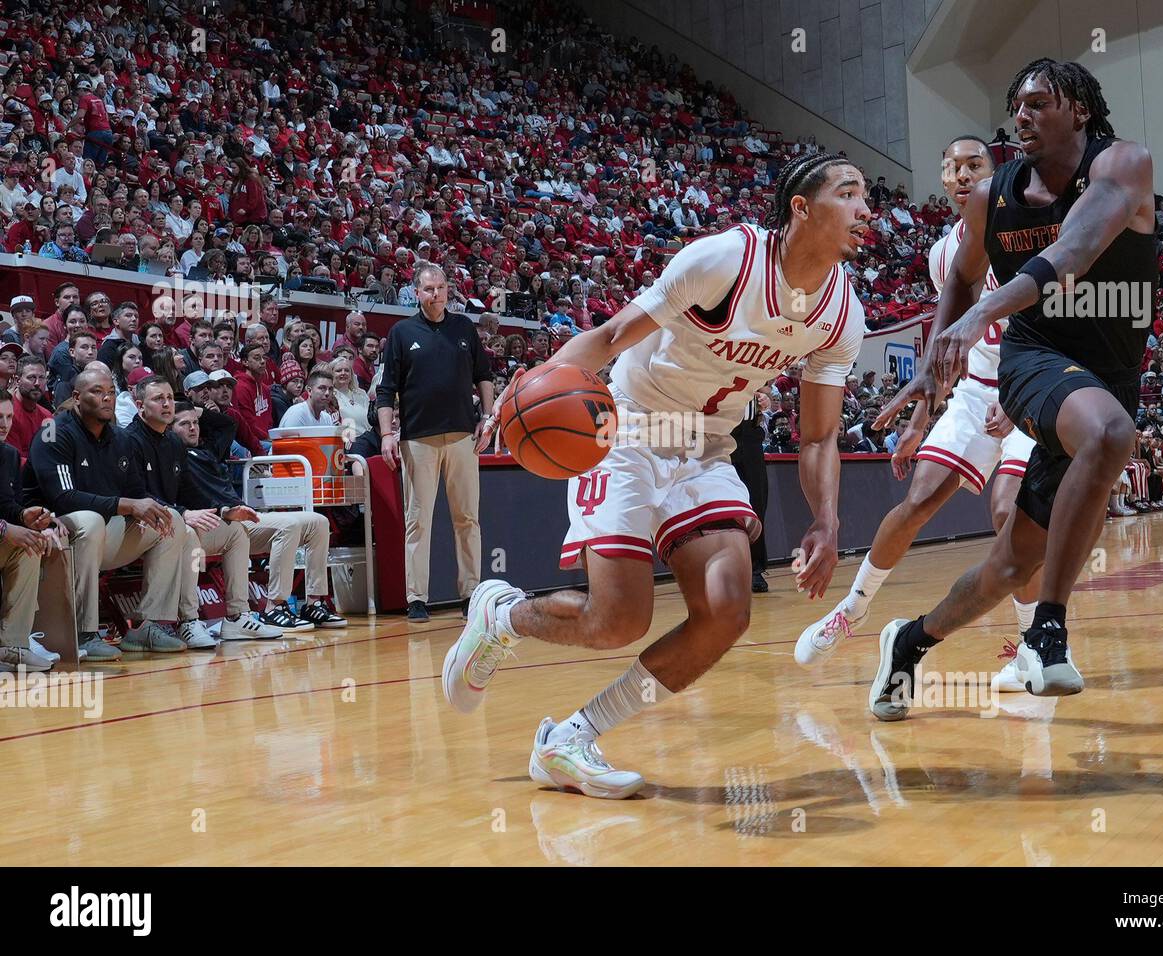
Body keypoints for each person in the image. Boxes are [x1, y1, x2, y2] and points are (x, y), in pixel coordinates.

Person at [443, 151, 868, 798]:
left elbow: (817, 435)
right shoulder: (724, 259)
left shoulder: (842, 316)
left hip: (707, 443)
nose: (866, 210)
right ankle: (503, 617)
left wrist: (827, 520)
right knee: (617, 620)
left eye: (867, 197)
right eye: (849, 194)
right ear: (801, 208)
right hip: (633, 424)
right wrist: (520, 390)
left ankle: (571, 740)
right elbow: (612, 336)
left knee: (727, 611)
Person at [871, 59, 1157, 714]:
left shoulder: (1124, 166)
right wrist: (931, 363)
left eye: (1038, 102)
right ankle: (1047, 633)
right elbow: (964, 277)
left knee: (1009, 565)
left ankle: (908, 642)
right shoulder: (990, 196)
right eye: (1015, 104)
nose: (1021, 115)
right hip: (1034, 359)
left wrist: (977, 316)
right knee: (1112, 431)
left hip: (1108, 373)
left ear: (1080, 110)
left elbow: (1076, 250)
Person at [795, 135, 1039, 693]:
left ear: (994, 171)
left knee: (1009, 514)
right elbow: (948, 341)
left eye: (972, 165)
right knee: (917, 501)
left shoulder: (1025, 233)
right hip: (976, 391)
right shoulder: (942, 253)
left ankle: (1029, 646)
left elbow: (1046, 323)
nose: (959, 176)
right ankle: (852, 612)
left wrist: (1020, 393)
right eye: (949, 167)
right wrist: (920, 419)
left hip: (1029, 384)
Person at [25, 369, 189, 661]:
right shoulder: (54, 432)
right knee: (90, 519)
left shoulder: (120, 439)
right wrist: (126, 506)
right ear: (77, 397)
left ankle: (146, 626)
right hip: (52, 534)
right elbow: (63, 499)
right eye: (97, 392)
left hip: (100, 538)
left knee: (169, 519)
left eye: (111, 392)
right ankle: (84, 633)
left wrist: (151, 508)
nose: (106, 398)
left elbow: (137, 493)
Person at [126, 381, 288, 645]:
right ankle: (188, 620)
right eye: (159, 398)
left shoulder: (171, 442)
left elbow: (187, 487)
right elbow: (136, 492)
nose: (166, 403)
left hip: (173, 518)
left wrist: (224, 511)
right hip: (144, 523)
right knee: (188, 533)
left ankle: (238, 616)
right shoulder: (130, 440)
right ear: (140, 405)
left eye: (169, 397)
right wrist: (183, 512)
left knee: (235, 531)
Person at [375, 264, 493, 620]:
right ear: (416, 291)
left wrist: (486, 418)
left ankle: (471, 594)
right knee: (419, 521)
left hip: (462, 437)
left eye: (441, 287)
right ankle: (416, 598)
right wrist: (385, 435)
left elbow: (484, 376)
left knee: (467, 519)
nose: (436, 294)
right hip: (418, 440)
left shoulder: (463, 328)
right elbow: (385, 390)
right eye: (429, 289)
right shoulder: (401, 332)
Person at [171, 404, 346, 631]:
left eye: (195, 423)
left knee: (318, 522)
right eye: (184, 424)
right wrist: (225, 511)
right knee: (290, 525)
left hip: (242, 517)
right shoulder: (172, 456)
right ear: (169, 429)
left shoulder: (207, 450)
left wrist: (196, 410)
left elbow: (228, 424)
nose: (193, 428)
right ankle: (275, 607)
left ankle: (314, 602)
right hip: (217, 522)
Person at [0, 392, 60, 671]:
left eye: (9, 417)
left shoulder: (9, 454)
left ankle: (13, 646)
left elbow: (8, 505)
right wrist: (5, 530)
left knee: (31, 545)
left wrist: (27, 516)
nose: (4, 424)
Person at [730, 393, 769, 593]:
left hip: (750, 434)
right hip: (720, 430)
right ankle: (724, 568)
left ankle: (756, 569)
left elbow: (765, 390)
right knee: (722, 503)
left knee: (756, 503)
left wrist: (765, 398)